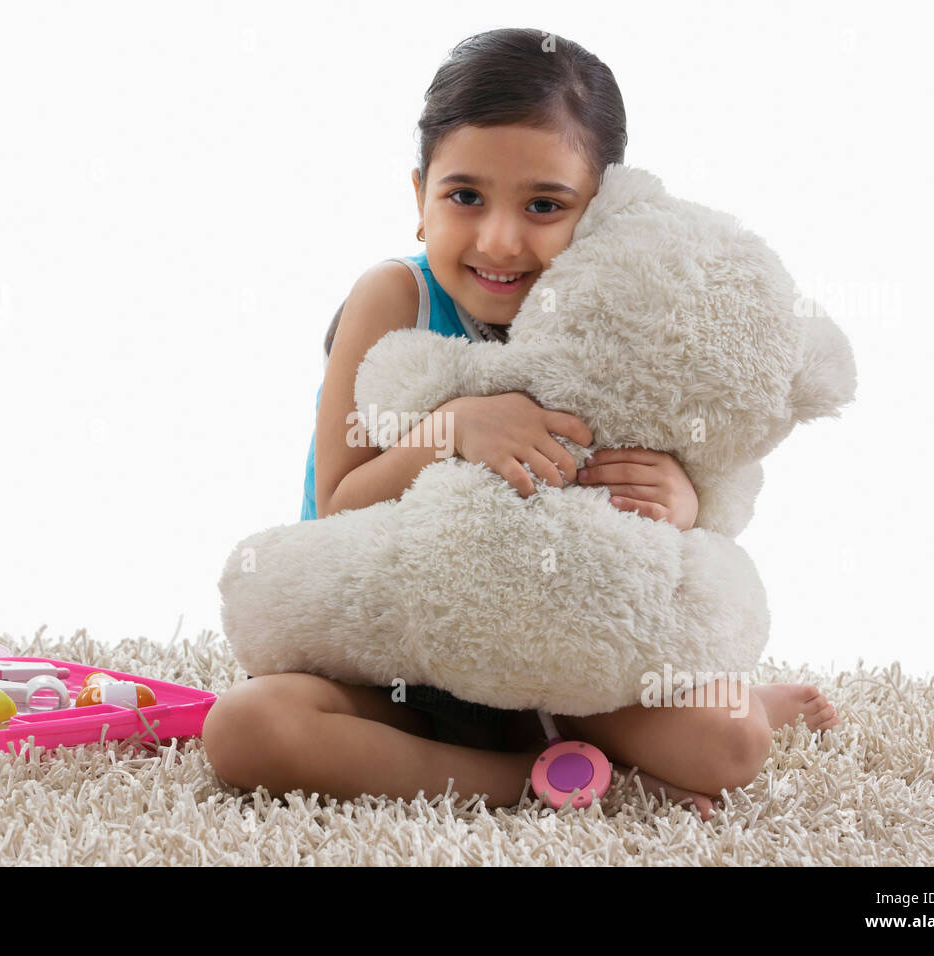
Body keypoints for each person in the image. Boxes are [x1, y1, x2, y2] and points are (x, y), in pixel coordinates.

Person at [203, 27, 840, 820]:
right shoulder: (394, 300)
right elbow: (337, 501)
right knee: (245, 729)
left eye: (545, 205)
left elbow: (694, 500)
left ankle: (608, 734)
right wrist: (454, 426)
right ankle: (543, 782)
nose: (500, 240)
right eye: (464, 196)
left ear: (605, 211)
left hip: (569, 666)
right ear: (419, 198)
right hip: (402, 657)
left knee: (733, 743)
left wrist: (685, 502)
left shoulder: (623, 320)